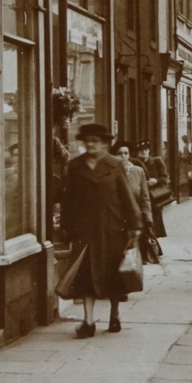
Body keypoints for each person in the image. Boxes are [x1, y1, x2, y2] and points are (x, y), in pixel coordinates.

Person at [60, 123, 142, 336]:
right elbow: (68, 199)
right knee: (86, 276)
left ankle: (114, 316)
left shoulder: (115, 165)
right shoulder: (75, 166)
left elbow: (127, 196)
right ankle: (88, 321)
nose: (91, 144)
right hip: (85, 230)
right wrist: (66, 226)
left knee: (113, 275)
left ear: (104, 144)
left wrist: (135, 224)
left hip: (112, 228)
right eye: (87, 141)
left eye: (95, 141)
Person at [115, 139, 159, 264]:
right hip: (117, 216)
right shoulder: (111, 172)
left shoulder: (138, 171)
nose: (123, 156)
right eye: (119, 153)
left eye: (126, 153)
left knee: (134, 257)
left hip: (135, 216)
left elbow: (145, 197)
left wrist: (148, 218)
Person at [136, 141, 171, 249]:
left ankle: (153, 247)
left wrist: (156, 181)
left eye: (145, 150)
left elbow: (165, 178)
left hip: (154, 198)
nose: (143, 152)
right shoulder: (135, 163)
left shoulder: (156, 161)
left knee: (153, 224)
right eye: (140, 150)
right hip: (140, 198)